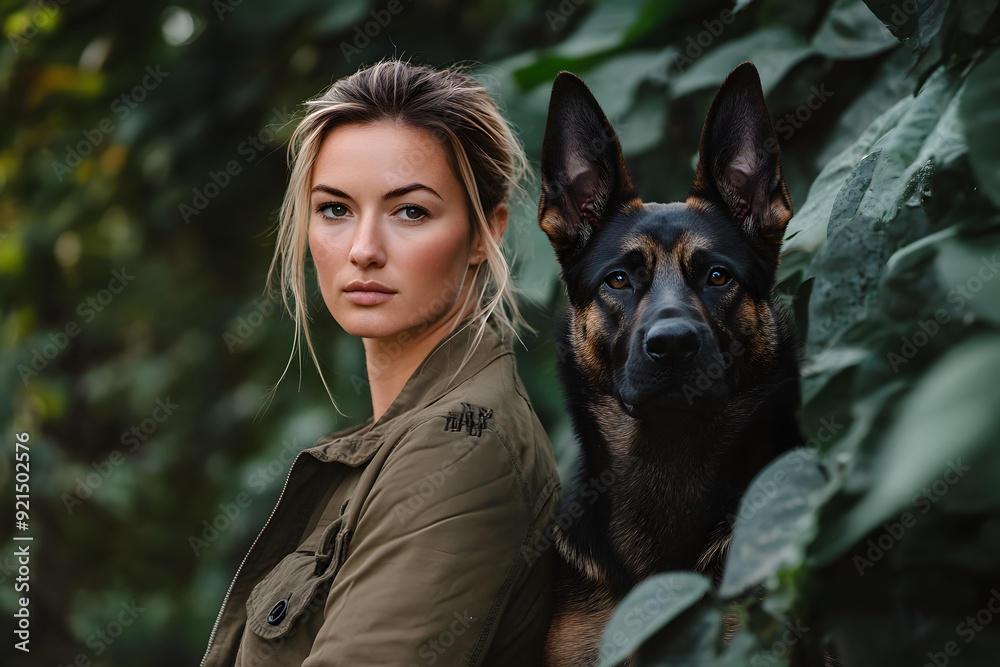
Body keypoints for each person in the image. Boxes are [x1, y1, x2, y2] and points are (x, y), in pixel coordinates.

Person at [201, 58, 561, 667]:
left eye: (410, 211)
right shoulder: (412, 438)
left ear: (485, 234)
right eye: (335, 209)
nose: (364, 250)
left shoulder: (462, 445)